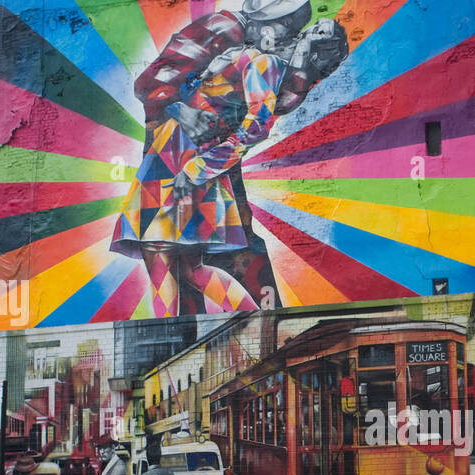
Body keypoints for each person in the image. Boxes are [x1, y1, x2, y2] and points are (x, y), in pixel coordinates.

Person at [112, 1, 349, 317]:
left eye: (300, 34)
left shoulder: (263, 60)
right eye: (289, 28)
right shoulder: (229, 34)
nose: (289, 36)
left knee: (164, 253)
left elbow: (258, 121)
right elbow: (150, 83)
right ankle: (256, 321)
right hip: (180, 150)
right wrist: (184, 111)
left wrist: (198, 160)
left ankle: (230, 327)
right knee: (184, 264)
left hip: (186, 154)